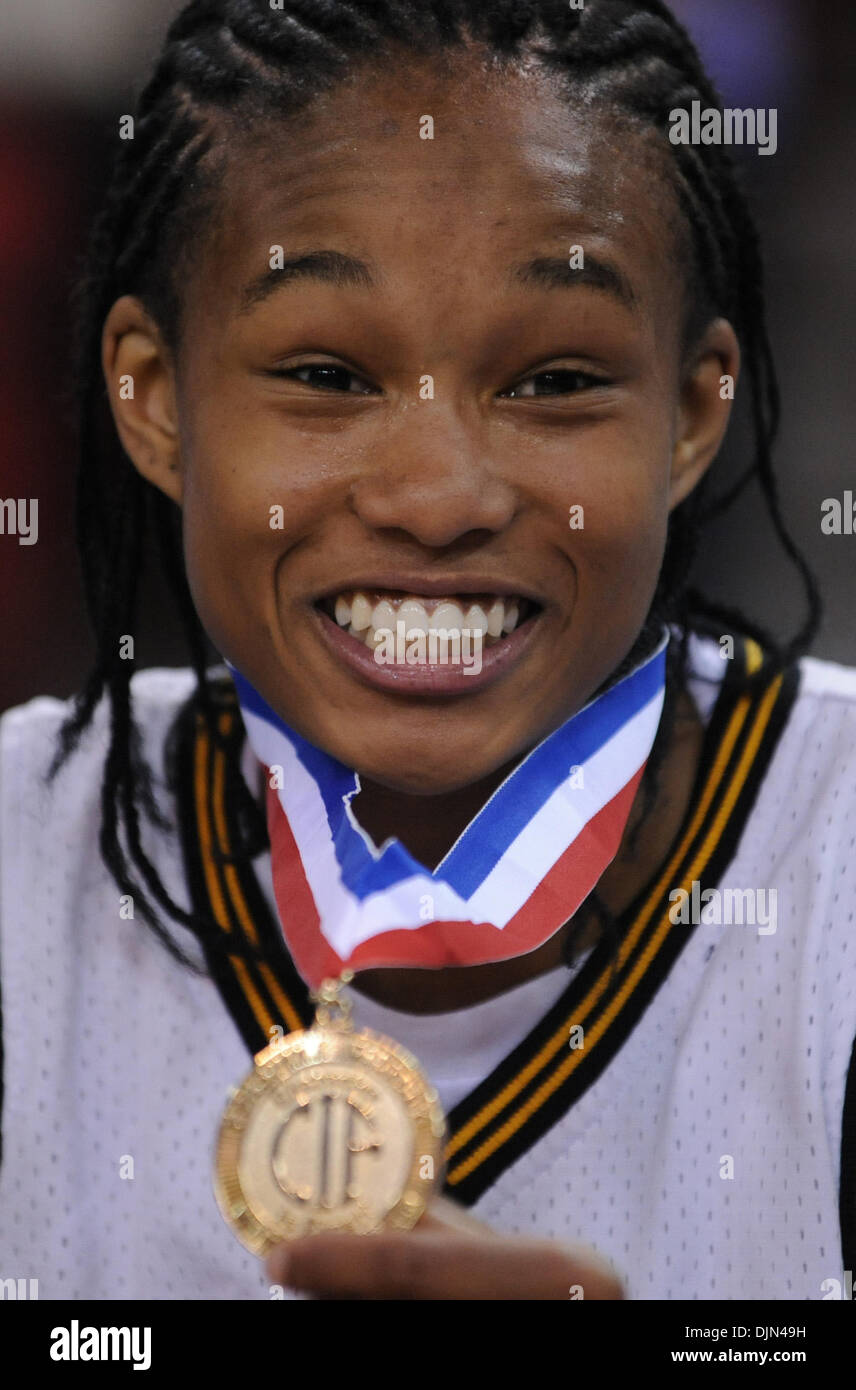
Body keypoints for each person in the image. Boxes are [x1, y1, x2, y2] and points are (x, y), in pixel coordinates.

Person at [1, 0, 854, 1302]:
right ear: (156, 395)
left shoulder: (838, 861)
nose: (440, 493)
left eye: (557, 380)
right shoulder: (20, 858)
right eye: (330, 374)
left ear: (691, 414)